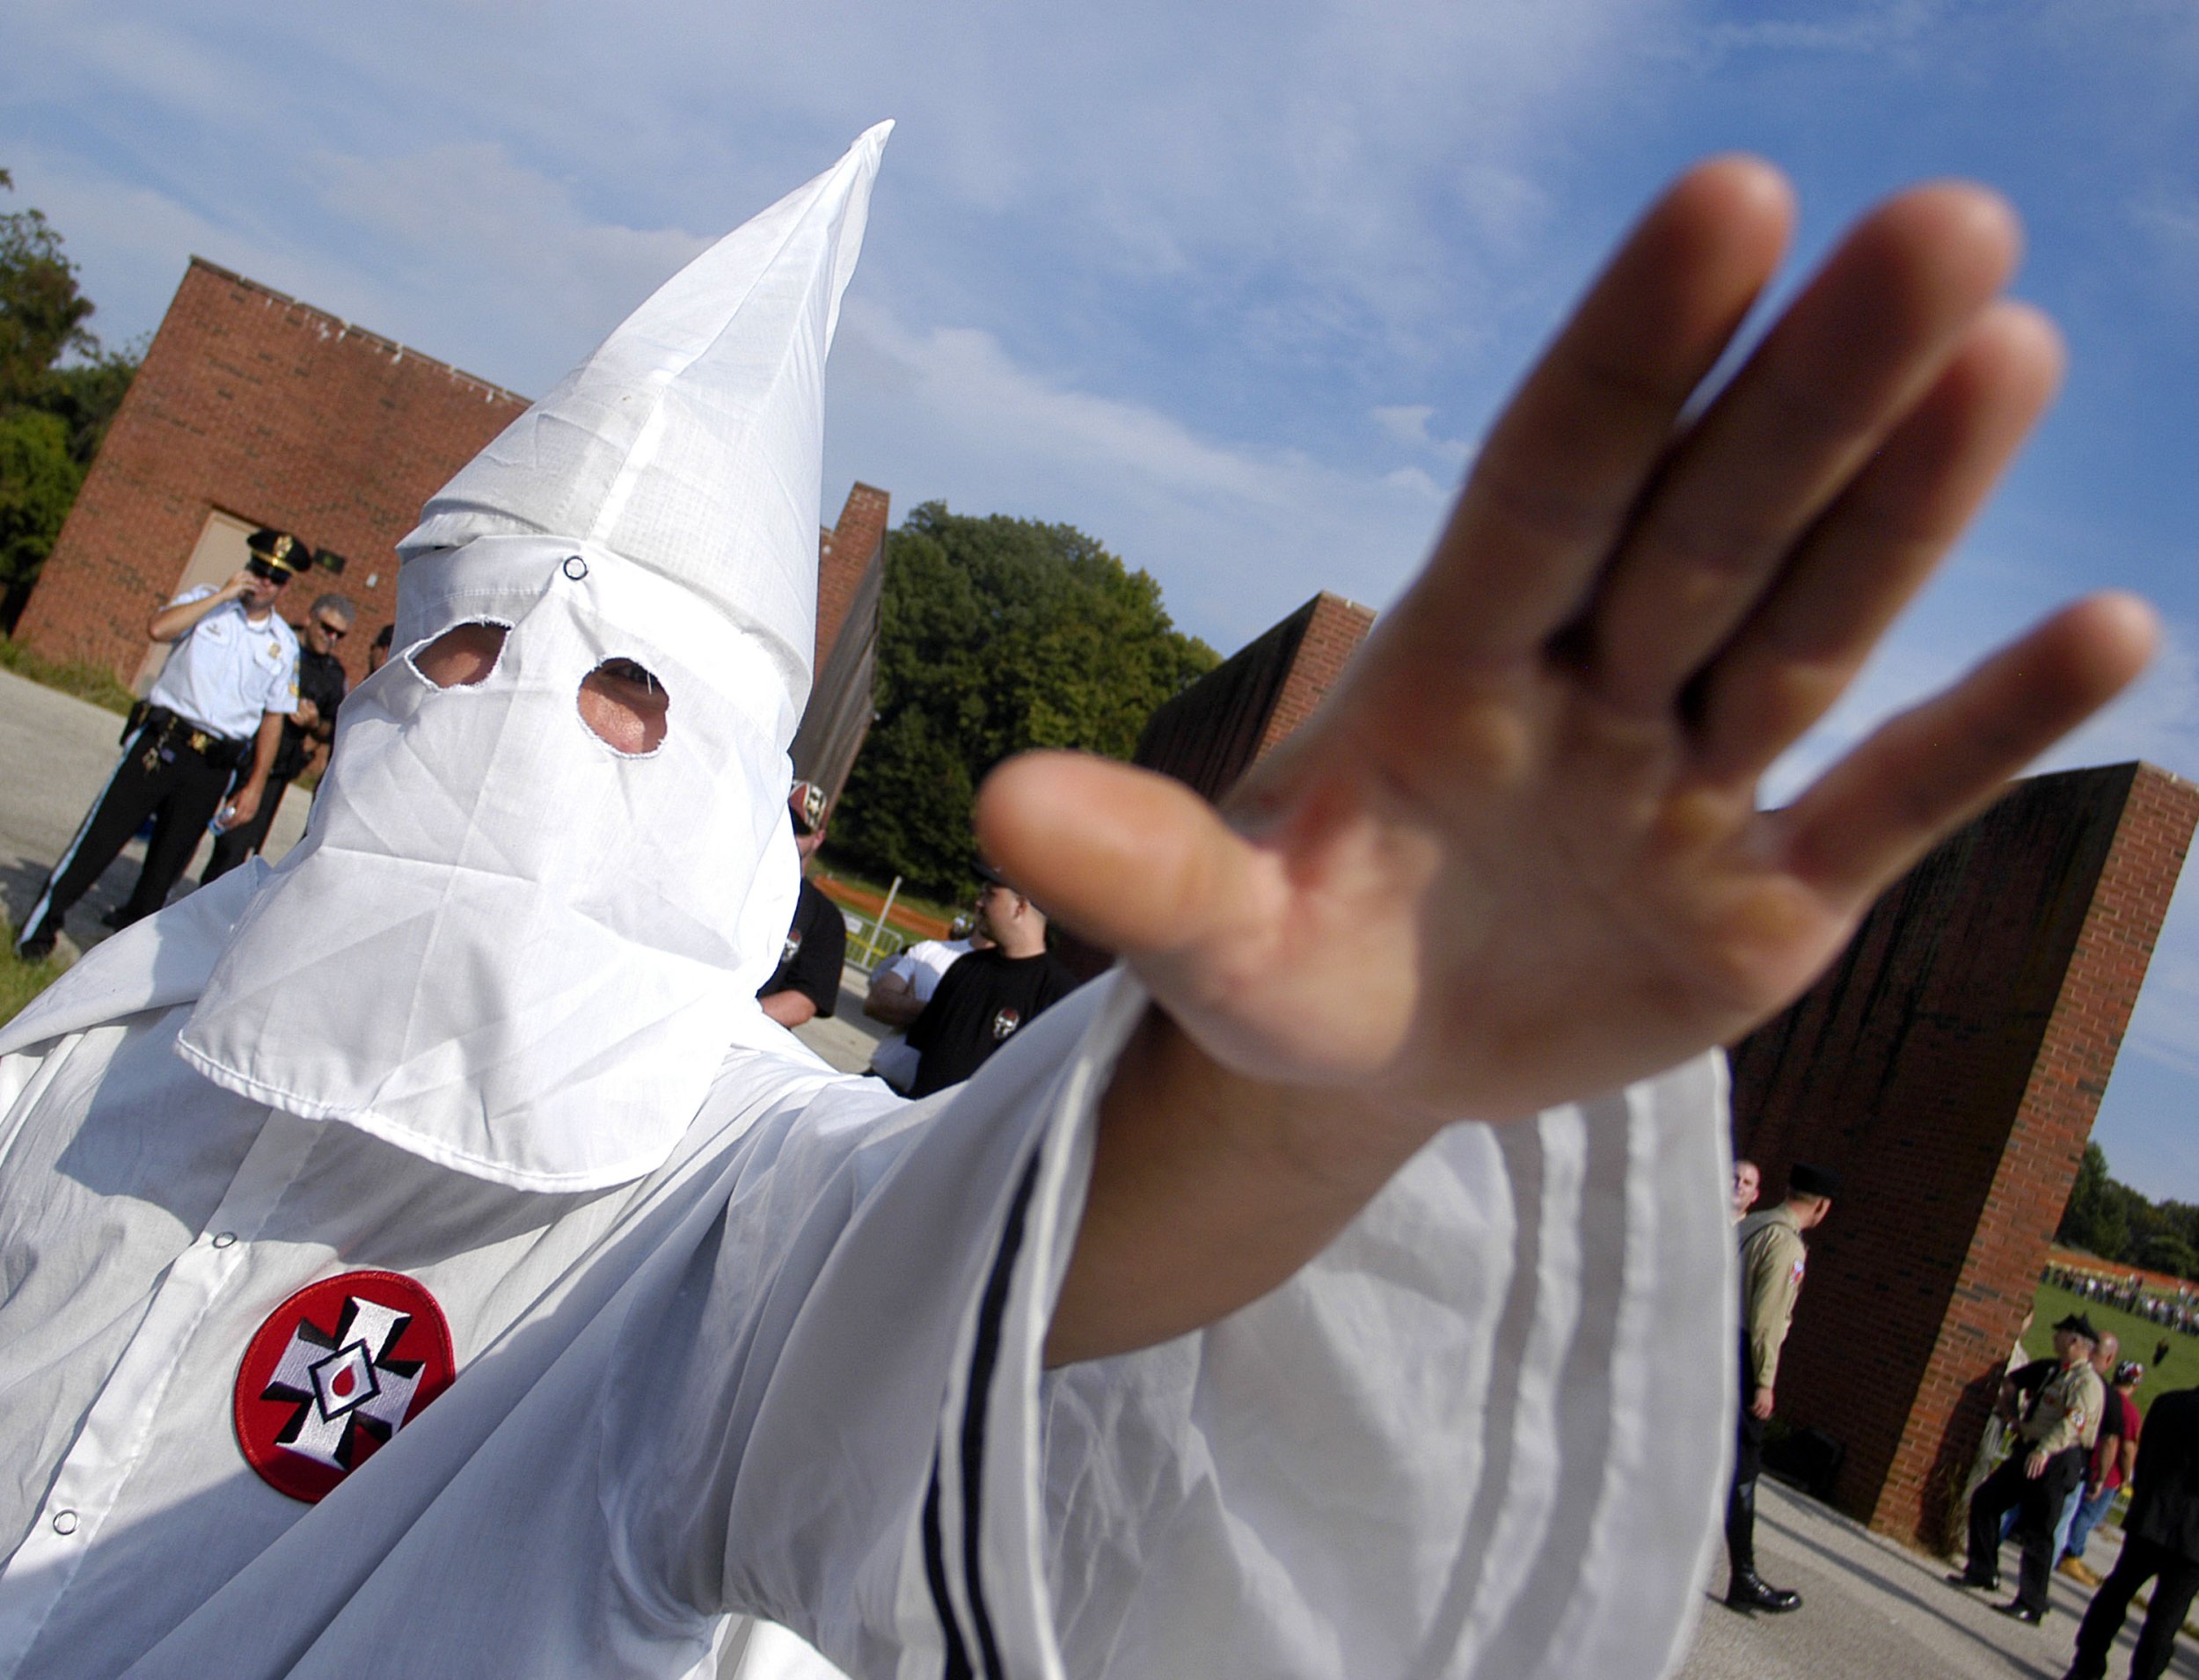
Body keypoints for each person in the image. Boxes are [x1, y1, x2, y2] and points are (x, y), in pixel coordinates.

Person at [0, 134, 2160, 1679]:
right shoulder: (101, 1032)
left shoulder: (729, 1202)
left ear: (742, 776)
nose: (506, 711)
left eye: (624, 687)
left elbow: (989, 1294)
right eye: (457, 645)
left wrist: (1287, 1105)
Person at [11, 528, 306, 958]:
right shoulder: (208, 604)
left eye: (276, 578)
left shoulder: (283, 644)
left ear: (285, 586)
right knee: (99, 840)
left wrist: (256, 785)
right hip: (162, 744)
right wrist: (221, 595)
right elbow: (158, 628)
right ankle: (39, 931)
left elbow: (273, 719)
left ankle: (119, 959)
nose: (264, 582)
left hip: (213, 766)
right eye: (260, 569)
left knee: (166, 868)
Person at [1725, 1161, 1839, 1612]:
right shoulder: (1787, 1244)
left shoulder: (1750, 1224)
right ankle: (1745, 1577)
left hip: (1717, 1343)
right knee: (1744, 1467)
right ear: (1823, 1207)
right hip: (1743, 1356)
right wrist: (1766, 1382)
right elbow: (1767, 1322)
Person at [1955, 1313, 2107, 1625]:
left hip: (2056, 1458)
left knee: (2039, 1531)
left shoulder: (2086, 1382)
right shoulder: (2057, 1371)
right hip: (2032, 1451)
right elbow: (2016, 1385)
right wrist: (2016, 1420)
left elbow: (2074, 1423)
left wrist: (2044, 1449)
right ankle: (1983, 1569)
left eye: (2061, 1334)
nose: (2055, 1339)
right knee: (1986, 1500)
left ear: (2076, 1341)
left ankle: (2031, 1602)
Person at [201, 591, 354, 883]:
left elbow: (331, 727)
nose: (330, 637)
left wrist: (313, 723)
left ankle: (208, 912)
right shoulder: (279, 645)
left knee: (236, 850)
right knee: (188, 828)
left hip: (274, 770)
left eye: (339, 634)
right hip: (234, 751)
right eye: (326, 627)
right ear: (310, 618)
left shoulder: (333, 675)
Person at [2061, 1382, 2199, 1680]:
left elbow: (2146, 1454)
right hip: (2192, 1540)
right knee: (2165, 1621)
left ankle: (2086, 1665)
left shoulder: (2167, 1402)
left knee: (2115, 1594)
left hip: (2150, 1518)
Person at [903, 864, 1078, 1098]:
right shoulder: (966, 967)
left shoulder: (1058, 994)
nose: (979, 903)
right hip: (920, 1124)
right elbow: (926, 1050)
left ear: (1020, 906)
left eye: (990, 894)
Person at [864, 909, 990, 1092]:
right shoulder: (929, 950)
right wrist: (954, 1015)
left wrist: (909, 1005)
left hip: (932, 1106)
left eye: (992, 894)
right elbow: (875, 1002)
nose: (980, 903)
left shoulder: (1014, 978)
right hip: (880, 1081)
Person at [756, 780, 845, 1026]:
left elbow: (804, 1000)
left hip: (745, 1041)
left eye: (798, 828)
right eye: (780, 820)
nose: (786, 833)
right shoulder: (727, 874)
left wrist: (727, 1020)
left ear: (818, 838)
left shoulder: (824, 918)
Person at [2060, 1357, 2143, 1585]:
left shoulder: (2100, 1393)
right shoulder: (2131, 1413)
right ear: (2135, 1384)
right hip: (2108, 1473)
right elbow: (2127, 1448)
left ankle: (2064, 1547)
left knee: (2072, 1509)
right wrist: (2126, 1477)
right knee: (2088, 1516)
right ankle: (2071, 1555)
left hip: (2083, 1460)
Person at [1733, 1158, 1762, 1223]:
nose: (1739, 1185)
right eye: (1735, 1178)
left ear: (1755, 1195)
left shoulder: (1755, 1231)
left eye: (1747, 1183)